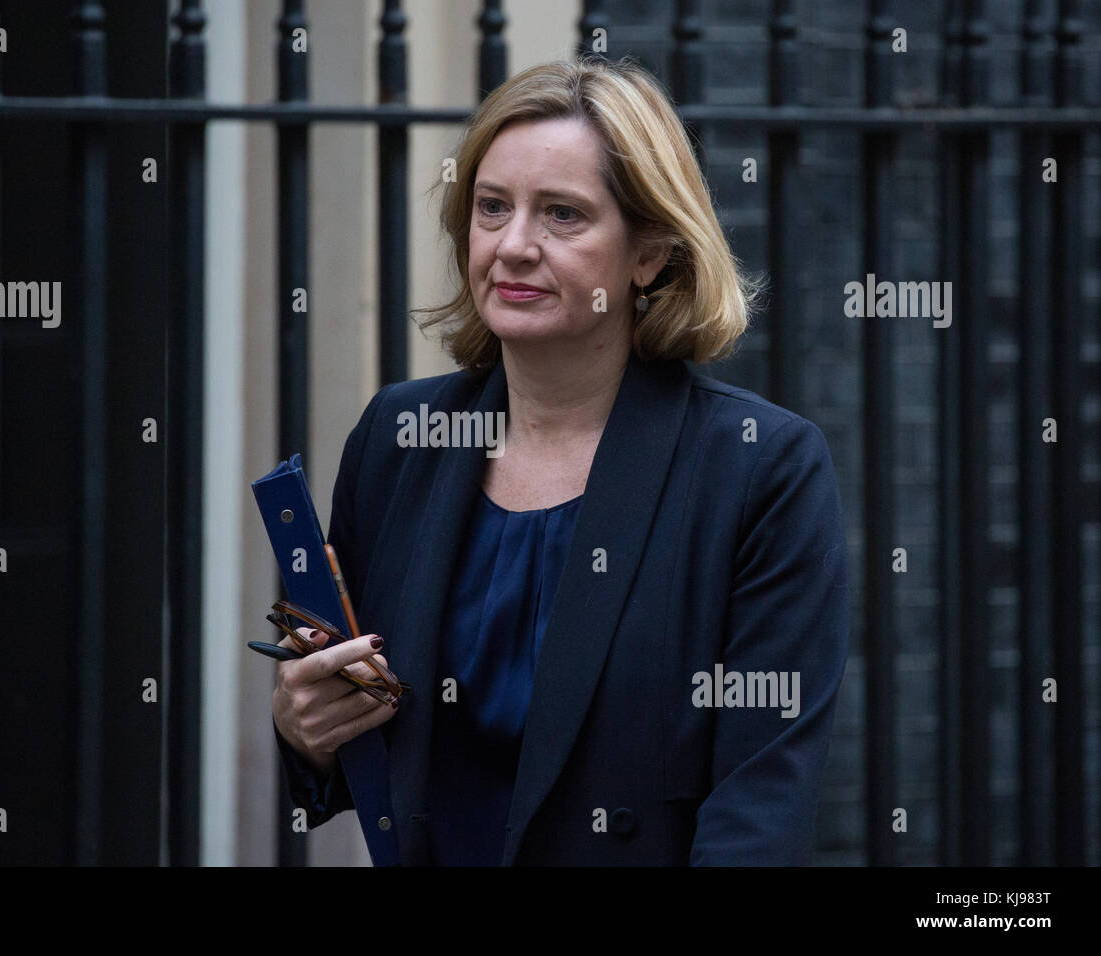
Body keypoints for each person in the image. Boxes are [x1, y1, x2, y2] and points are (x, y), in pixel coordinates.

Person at [271, 55, 849, 865]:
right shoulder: (396, 436)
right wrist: (308, 731)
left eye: (563, 215)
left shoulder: (762, 469)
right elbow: (351, 741)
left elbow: (761, 800)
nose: (512, 246)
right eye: (492, 207)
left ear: (648, 253)